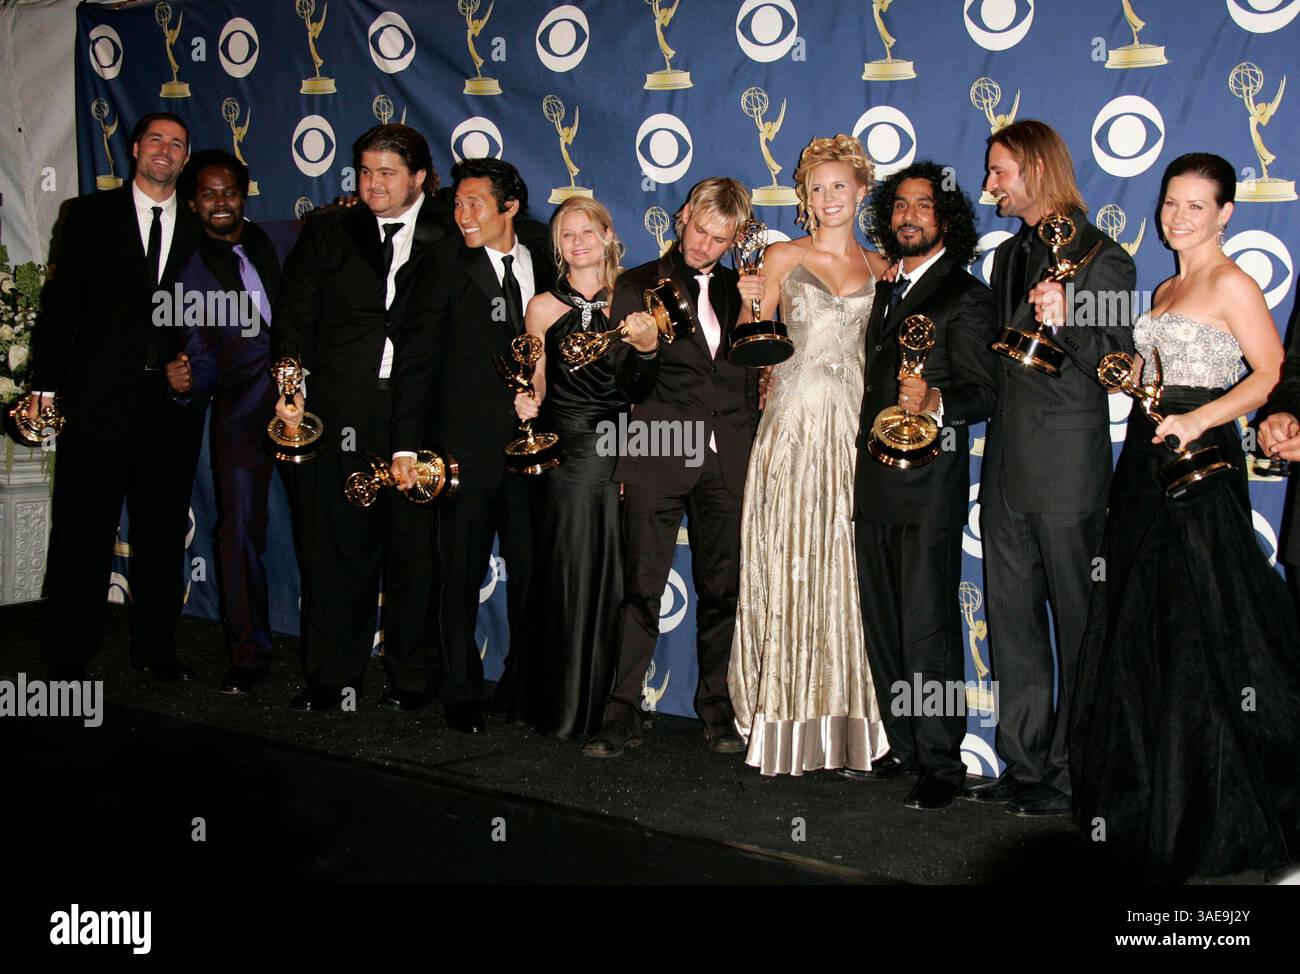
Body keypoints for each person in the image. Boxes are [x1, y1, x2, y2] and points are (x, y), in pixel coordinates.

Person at [1073, 153, 1300, 883]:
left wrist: (1197, 418)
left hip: (1201, 467)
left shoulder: (1232, 282)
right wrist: (1127, 373)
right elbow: (1154, 377)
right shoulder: (1168, 284)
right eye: (1172, 203)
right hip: (1146, 460)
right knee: (1149, 626)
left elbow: (1267, 373)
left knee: (1210, 625)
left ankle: (1222, 812)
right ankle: (1154, 805)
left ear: (1226, 213)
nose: (1178, 217)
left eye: (1196, 206)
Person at [966, 120, 1136, 816]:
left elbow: (1117, 363)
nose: (988, 185)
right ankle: (1026, 762)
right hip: (1004, 465)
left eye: (999, 171)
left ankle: (1077, 773)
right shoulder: (1008, 258)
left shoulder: (1104, 257)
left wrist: (1066, 319)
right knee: (1011, 622)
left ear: (1036, 169)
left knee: (1079, 621)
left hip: (1067, 466)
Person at [272, 123, 453, 713]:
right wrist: (290, 389)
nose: (372, 184)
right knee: (335, 548)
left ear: (420, 177)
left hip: (422, 414)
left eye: (387, 173)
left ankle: (412, 680)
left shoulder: (454, 231)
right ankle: (330, 676)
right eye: (365, 172)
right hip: (341, 410)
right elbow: (294, 317)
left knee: (415, 552)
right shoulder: (329, 228)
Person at [726, 135, 891, 776]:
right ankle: (784, 724)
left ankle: (848, 727)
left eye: (838, 186)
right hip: (793, 426)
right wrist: (747, 305)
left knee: (845, 570)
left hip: (854, 431)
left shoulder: (883, 270)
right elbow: (752, 343)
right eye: (816, 188)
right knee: (791, 558)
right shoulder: (778, 256)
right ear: (804, 195)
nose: (827, 198)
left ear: (861, 191)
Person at [582, 177, 758, 758]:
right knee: (640, 590)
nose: (705, 246)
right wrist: (646, 349)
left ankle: (717, 709)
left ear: (735, 239)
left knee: (723, 591)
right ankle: (622, 712)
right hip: (659, 449)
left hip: (729, 456)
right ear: (683, 216)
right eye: (700, 230)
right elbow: (623, 384)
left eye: (720, 238)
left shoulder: (747, 289)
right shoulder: (637, 285)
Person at [844, 160, 999, 807]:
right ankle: (905, 745)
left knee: (927, 627)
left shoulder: (965, 295)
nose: (909, 215)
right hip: (873, 482)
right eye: (900, 206)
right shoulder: (885, 289)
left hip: (929, 487)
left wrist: (936, 399)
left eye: (923, 207)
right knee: (883, 623)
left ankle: (942, 764)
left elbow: (985, 391)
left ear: (947, 221)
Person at [30, 112, 202, 682]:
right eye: (156, 139)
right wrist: (43, 388)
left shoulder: (204, 228)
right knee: (84, 526)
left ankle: (156, 650)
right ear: (134, 149)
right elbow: (59, 311)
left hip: (170, 404)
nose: (165, 150)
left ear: (185, 158)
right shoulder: (87, 216)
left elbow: (227, 319)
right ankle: (68, 652)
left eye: (176, 144)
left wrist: (195, 371)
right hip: (97, 398)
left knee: (160, 529)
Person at [392, 158, 556, 734]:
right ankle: (460, 691)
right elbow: (415, 363)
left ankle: (520, 686)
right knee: (457, 573)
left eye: (475, 204)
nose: (461, 215)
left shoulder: (548, 256)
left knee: (534, 575)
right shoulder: (441, 266)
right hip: (463, 452)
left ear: (510, 207)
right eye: (457, 204)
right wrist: (406, 449)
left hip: (535, 453)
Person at [511, 198, 658, 740]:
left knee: (618, 572)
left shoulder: (634, 301)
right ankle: (562, 701)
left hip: (621, 443)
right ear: (557, 246)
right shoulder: (542, 307)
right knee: (569, 568)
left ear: (607, 234)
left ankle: (611, 704)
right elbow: (539, 379)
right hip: (566, 451)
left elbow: (649, 390)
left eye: (586, 231)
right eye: (566, 234)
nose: (577, 242)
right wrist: (526, 400)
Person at [164, 149, 300, 695]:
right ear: (192, 202)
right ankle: (250, 652)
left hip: (309, 406)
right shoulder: (186, 272)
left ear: (244, 195)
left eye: (229, 192)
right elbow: (196, 357)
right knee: (238, 530)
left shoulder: (282, 237)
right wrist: (183, 383)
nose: (220, 202)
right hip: (242, 411)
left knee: (328, 528)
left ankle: (338, 653)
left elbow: (331, 223)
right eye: (208, 194)